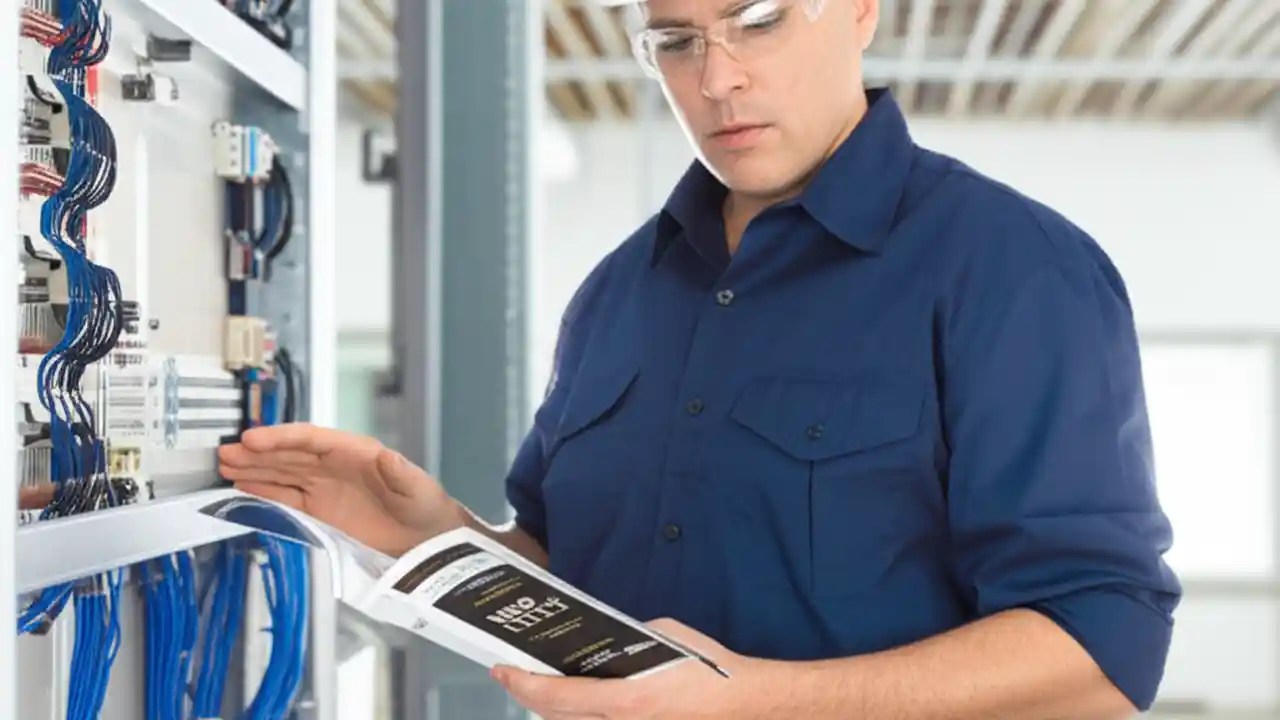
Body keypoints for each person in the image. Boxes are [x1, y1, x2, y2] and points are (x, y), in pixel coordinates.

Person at [219, 0, 1181, 717]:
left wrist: (753, 699)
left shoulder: (1013, 268)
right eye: (676, 41)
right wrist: (434, 535)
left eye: (757, 20)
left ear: (859, 12)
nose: (716, 78)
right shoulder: (617, 292)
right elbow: (574, 571)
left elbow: (1098, 649)